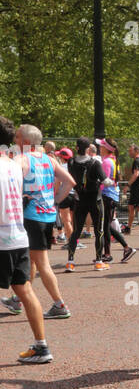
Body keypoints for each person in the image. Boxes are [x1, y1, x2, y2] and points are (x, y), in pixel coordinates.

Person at [0, 116, 53, 362]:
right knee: (25, 289)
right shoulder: (13, 164)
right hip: (18, 236)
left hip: (2, 238)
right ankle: (41, 346)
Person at [13, 124, 74, 318]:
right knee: (31, 259)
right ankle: (19, 299)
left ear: (26, 142)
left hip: (32, 216)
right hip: (46, 215)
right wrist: (54, 201)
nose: (14, 141)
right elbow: (70, 182)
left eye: (17, 137)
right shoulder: (50, 160)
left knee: (41, 263)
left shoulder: (22, 159)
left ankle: (59, 304)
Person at [65, 138, 105, 271]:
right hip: (95, 200)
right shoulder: (95, 163)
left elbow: (71, 179)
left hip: (79, 200)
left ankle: (70, 261)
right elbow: (105, 179)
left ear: (76, 148)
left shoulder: (71, 162)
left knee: (76, 231)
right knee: (98, 231)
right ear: (88, 148)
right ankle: (98, 261)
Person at [97, 138, 136, 264]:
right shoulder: (112, 160)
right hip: (111, 195)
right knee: (106, 226)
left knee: (106, 226)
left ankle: (121, 249)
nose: (99, 148)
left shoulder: (107, 162)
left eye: (101, 146)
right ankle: (116, 251)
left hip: (107, 196)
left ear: (106, 148)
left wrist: (96, 188)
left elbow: (105, 181)